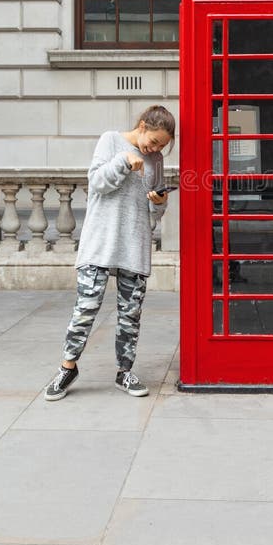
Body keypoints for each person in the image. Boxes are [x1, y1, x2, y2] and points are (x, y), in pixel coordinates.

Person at [45, 104, 176, 401]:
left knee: (130, 314)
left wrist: (159, 200)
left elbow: (156, 210)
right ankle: (68, 367)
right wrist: (124, 162)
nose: (155, 148)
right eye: (153, 141)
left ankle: (124, 371)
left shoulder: (155, 161)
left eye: (161, 146)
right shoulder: (110, 141)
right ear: (142, 125)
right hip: (100, 242)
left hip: (134, 243)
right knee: (85, 309)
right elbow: (97, 184)